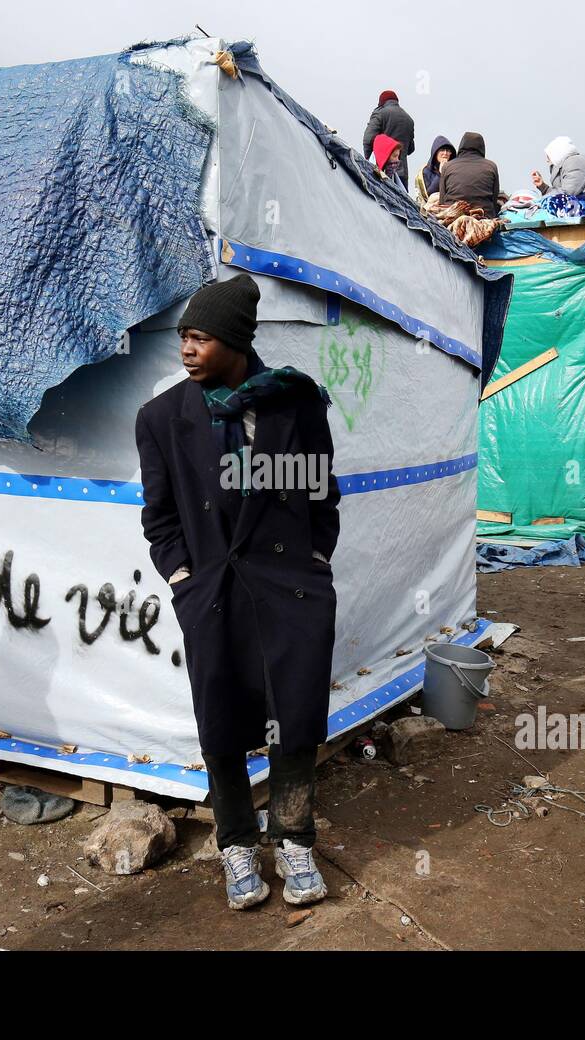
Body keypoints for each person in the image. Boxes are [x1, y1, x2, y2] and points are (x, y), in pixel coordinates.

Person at [134, 273, 341, 912]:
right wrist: (182, 580)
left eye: (200, 338)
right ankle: (236, 844)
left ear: (236, 341)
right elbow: (160, 517)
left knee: (296, 715)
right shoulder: (162, 419)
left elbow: (322, 495)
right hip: (214, 593)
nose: (187, 350)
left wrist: (313, 563)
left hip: (290, 590)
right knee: (220, 718)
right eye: (184, 338)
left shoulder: (292, 403)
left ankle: (295, 838)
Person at [532, 136, 585, 216]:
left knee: (552, 202)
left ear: (557, 153)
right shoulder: (564, 166)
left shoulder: (574, 162)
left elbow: (568, 192)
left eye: (548, 156)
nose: (547, 160)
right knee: (552, 203)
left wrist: (538, 201)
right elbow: (561, 192)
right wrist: (543, 187)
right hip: (582, 202)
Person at [437, 132, 501, 216]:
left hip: (453, 216)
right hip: (484, 216)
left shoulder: (447, 166)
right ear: (482, 147)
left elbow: (442, 200)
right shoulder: (491, 166)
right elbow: (494, 198)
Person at [362, 89, 416, 184]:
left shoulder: (380, 113)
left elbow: (368, 139)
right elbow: (411, 149)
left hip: (382, 172)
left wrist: (368, 163)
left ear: (381, 102)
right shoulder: (409, 119)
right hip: (402, 174)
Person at [415, 134, 454, 204]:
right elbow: (428, 195)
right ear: (436, 152)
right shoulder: (425, 171)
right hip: (430, 209)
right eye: (442, 150)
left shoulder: (454, 169)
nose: (445, 153)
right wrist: (440, 174)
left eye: (448, 150)